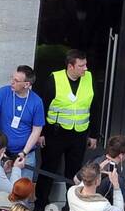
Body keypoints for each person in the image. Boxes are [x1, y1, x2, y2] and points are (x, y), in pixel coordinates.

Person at [41, 50, 98, 189]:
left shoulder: (89, 78)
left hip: (79, 133)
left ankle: (71, 206)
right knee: (49, 168)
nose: (85, 68)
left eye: (86, 65)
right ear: (70, 66)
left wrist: (94, 134)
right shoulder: (54, 79)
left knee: (74, 172)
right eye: (81, 65)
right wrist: (41, 133)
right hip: (56, 133)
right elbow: (43, 107)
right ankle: (41, 205)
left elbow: (95, 107)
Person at [0, 64, 46, 178]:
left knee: (21, 191)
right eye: (12, 78)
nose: (11, 82)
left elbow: (37, 130)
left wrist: (24, 152)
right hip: (1, 153)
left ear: (26, 84)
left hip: (25, 156)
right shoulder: (3, 92)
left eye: (16, 80)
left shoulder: (36, 102)